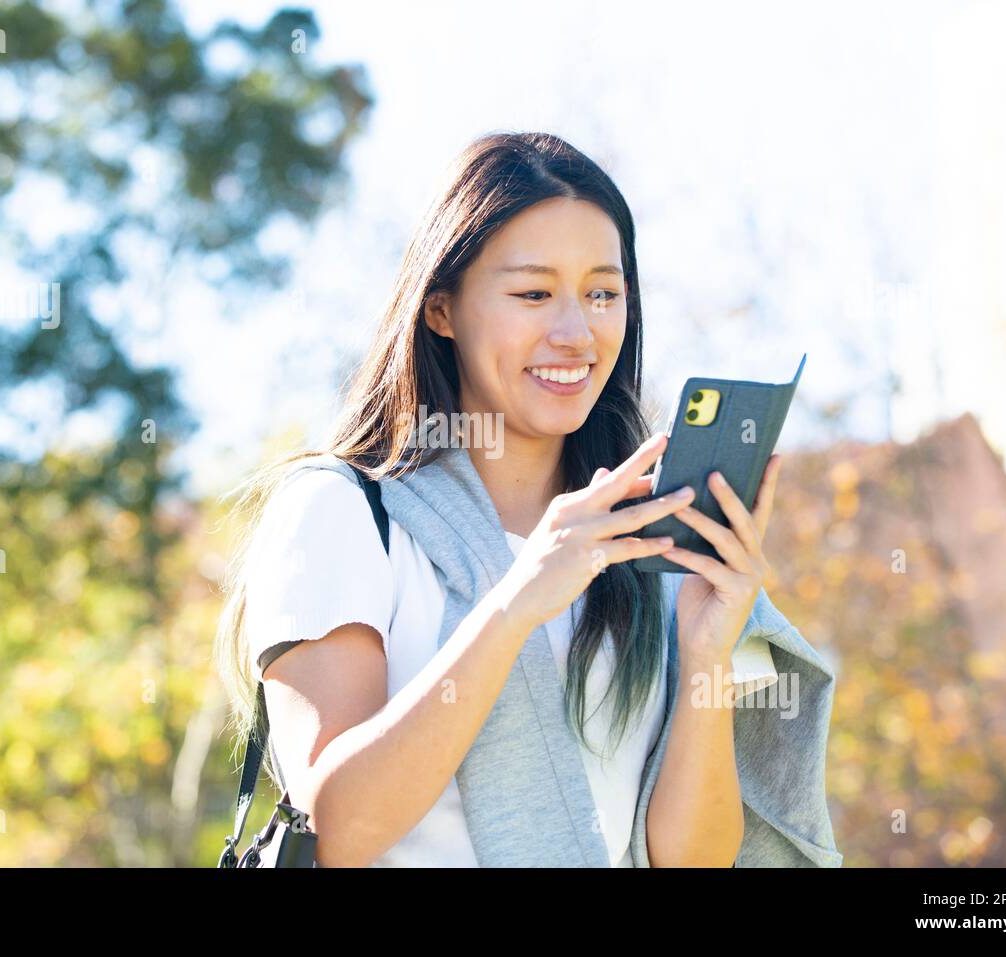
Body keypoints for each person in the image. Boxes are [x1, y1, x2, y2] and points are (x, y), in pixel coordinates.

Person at [215, 131, 804, 867]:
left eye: (602, 293)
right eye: (533, 293)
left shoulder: (647, 534)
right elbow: (337, 827)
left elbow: (691, 859)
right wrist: (517, 598)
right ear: (441, 310)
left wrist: (708, 652)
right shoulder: (342, 511)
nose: (575, 331)